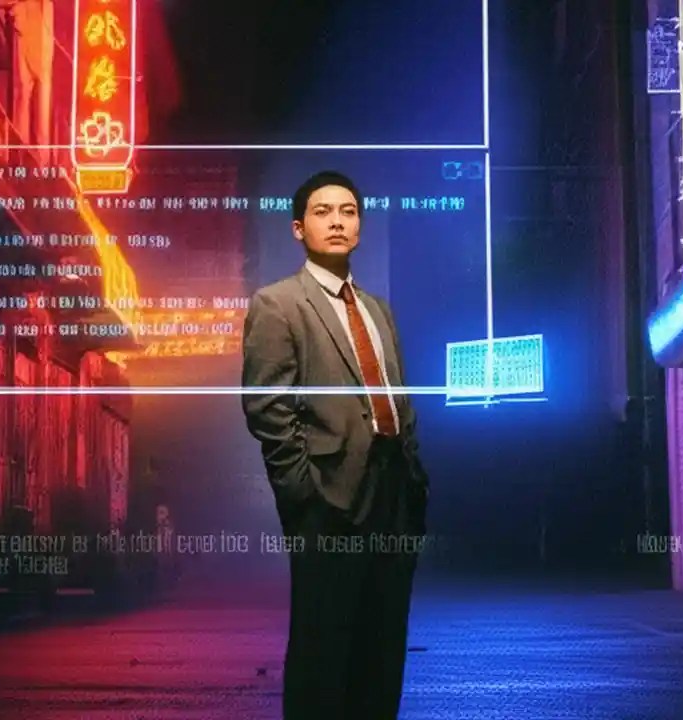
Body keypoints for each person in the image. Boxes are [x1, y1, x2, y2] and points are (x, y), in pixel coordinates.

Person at [241, 170, 430, 719]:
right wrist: (304, 492)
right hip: (327, 500)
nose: (338, 221)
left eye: (348, 211)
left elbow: (397, 397)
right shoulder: (277, 303)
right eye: (322, 212)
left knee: (383, 642)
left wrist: (413, 479)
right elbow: (267, 407)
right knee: (323, 646)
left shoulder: (378, 309)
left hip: (393, 493)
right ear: (299, 228)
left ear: (360, 226)